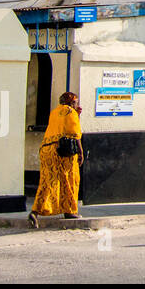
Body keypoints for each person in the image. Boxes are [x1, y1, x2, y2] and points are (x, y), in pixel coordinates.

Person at [29, 92, 84, 227]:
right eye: (76, 102)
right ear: (72, 103)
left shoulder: (54, 112)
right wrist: (81, 152)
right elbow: (75, 134)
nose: (77, 104)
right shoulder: (71, 112)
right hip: (63, 150)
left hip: (46, 149)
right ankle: (70, 210)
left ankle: (35, 211)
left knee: (48, 182)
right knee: (70, 179)